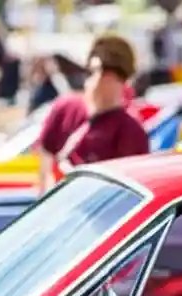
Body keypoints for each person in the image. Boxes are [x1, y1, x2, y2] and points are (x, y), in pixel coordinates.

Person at [38, 34, 148, 193]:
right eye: (95, 72)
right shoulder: (64, 108)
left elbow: (127, 191)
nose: (98, 82)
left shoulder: (131, 131)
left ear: (122, 82)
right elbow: (46, 166)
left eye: (107, 76)